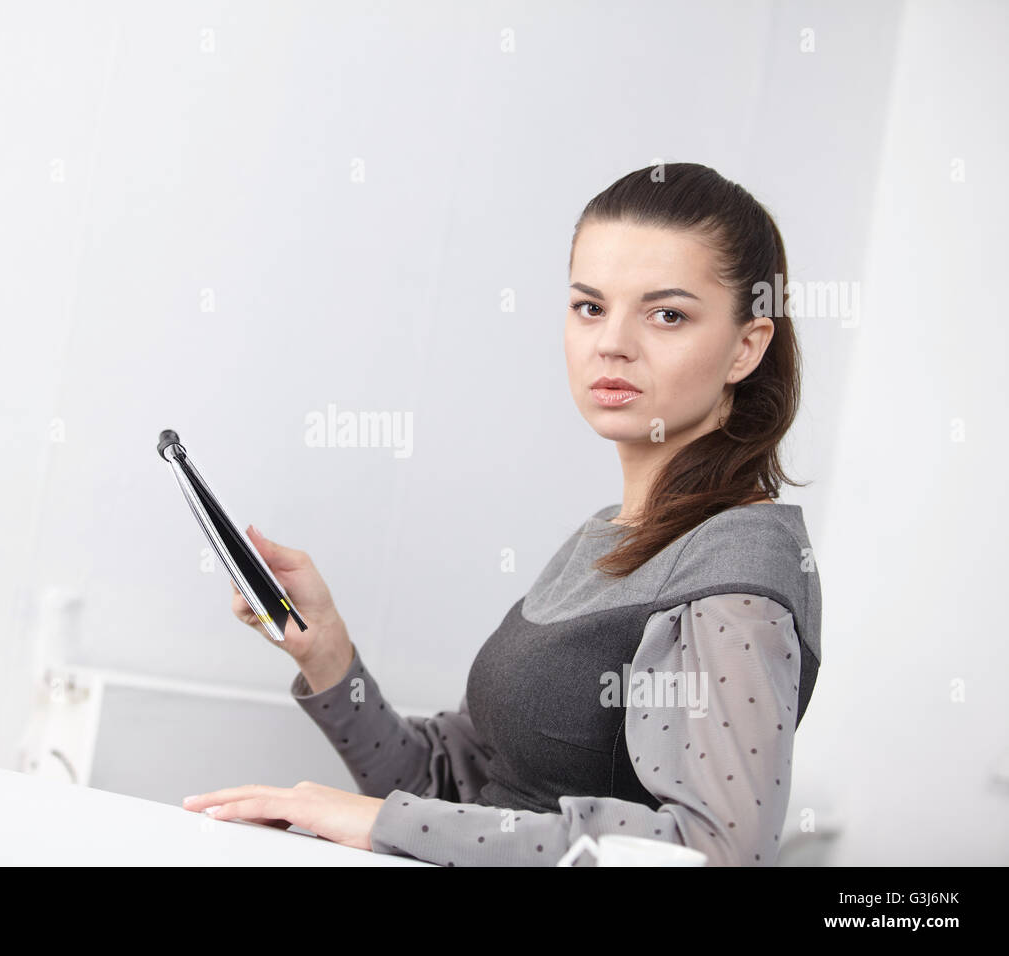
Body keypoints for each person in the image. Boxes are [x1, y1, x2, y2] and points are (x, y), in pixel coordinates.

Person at [181, 162, 822, 866]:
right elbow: (441, 787)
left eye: (667, 314)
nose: (612, 343)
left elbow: (715, 853)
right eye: (589, 306)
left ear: (745, 347)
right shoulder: (606, 539)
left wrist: (381, 825)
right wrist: (327, 650)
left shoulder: (736, 570)